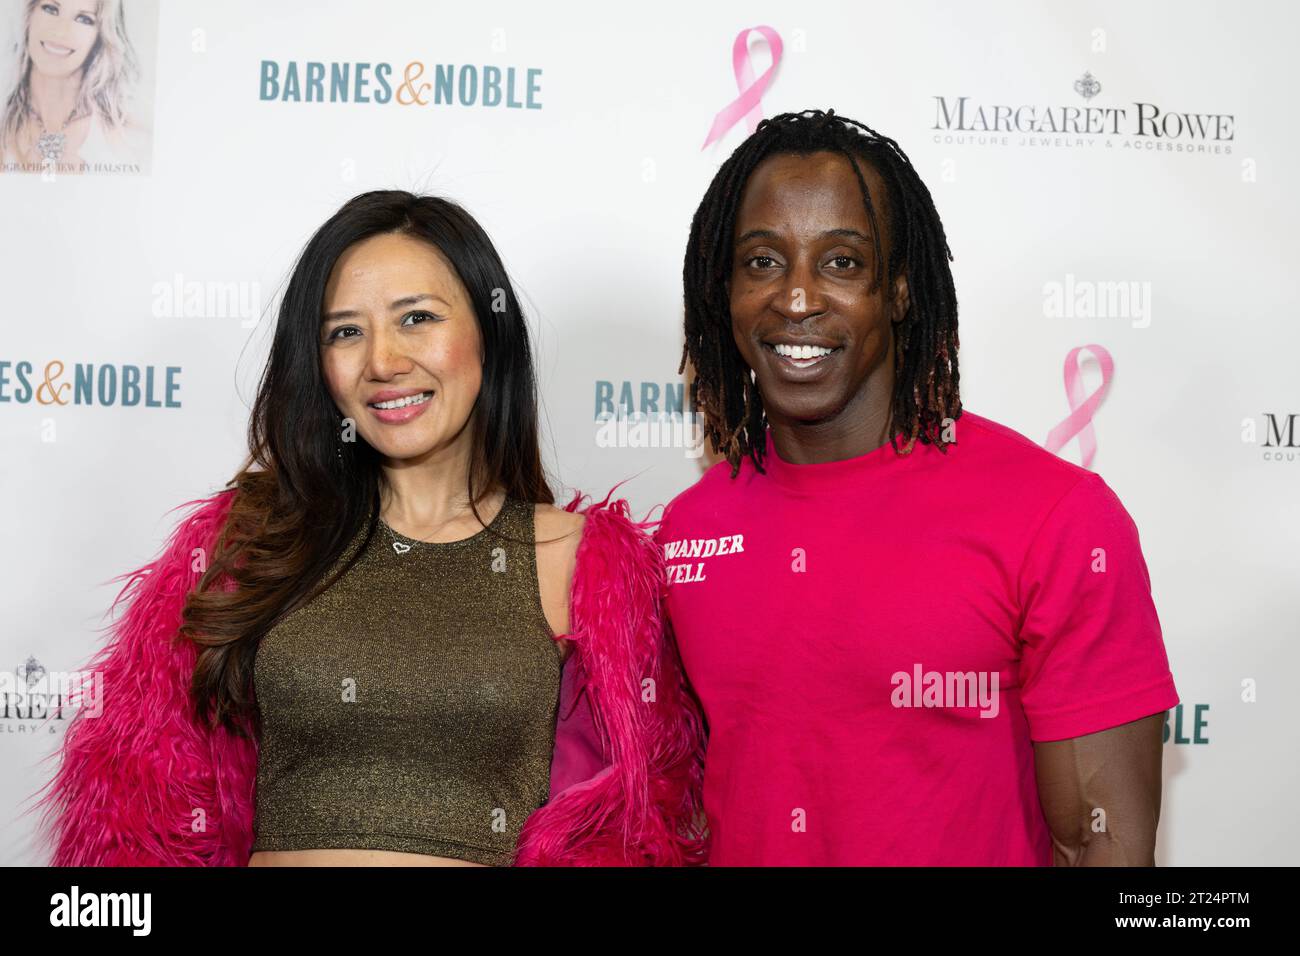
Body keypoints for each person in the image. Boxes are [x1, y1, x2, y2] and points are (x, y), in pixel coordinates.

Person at [27, 190, 707, 866]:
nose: (383, 361)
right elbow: (143, 805)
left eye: (417, 318)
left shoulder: (584, 561)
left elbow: (640, 822)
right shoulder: (251, 545)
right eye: (345, 332)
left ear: (489, 334)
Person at [658, 108, 1179, 866]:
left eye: (842, 263)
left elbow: (1102, 847)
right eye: (763, 262)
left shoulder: (1055, 517)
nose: (797, 299)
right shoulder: (687, 529)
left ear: (900, 291)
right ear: (724, 293)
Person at [0, 0, 149, 172]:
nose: (60, 32)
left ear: (100, 37)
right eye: (51, 9)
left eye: (84, 19)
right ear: (29, 15)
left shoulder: (128, 142)